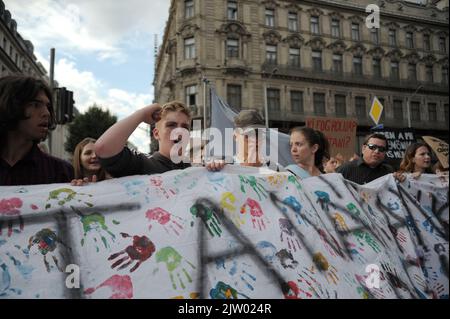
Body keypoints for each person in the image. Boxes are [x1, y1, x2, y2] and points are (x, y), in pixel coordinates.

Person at [0, 75, 74, 186]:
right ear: (10, 106)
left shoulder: (61, 171)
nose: (47, 113)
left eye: (48, 106)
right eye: (35, 105)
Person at [95, 101, 192, 178]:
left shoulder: (193, 170)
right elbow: (103, 148)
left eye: (185, 127)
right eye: (171, 125)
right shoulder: (142, 164)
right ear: (157, 134)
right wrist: (141, 114)